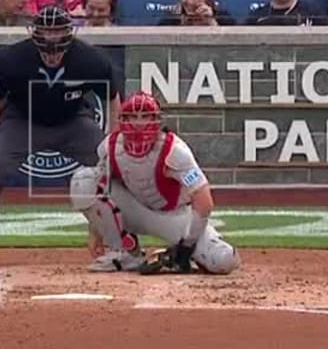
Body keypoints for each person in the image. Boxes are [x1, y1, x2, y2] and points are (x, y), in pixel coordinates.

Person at [0, 5, 123, 266]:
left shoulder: (92, 60)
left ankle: (120, 242)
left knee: (113, 167)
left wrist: (113, 143)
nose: (52, 50)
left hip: (74, 121)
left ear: (69, 35)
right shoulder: (10, 59)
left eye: (58, 38)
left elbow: (113, 100)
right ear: (35, 35)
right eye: (47, 39)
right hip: (21, 121)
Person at [71, 92, 240, 274]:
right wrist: (95, 231)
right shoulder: (110, 146)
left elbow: (203, 200)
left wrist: (186, 247)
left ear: (156, 120)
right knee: (84, 181)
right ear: (123, 119)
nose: (139, 123)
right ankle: (124, 253)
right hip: (133, 209)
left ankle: (177, 254)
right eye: (133, 117)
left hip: (175, 217)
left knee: (224, 259)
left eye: (145, 117)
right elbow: (100, 190)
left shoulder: (175, 152)